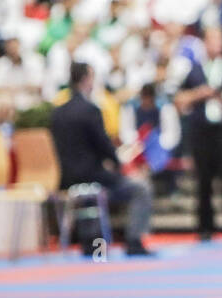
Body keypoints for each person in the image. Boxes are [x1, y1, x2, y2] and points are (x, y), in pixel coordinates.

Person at [50, 62, 154, 255]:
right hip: (92, 176)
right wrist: (118, 164)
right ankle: (134, 240)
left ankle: (91, 242)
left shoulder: (57, 112)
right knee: (141, 188)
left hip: (66, 178)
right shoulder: (90, 110)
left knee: (92, 194)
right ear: (86, 79)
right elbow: (104, 147)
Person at [180, 26, 222, 240]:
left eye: (220, 39)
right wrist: (200, 94)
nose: (218, 43)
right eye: (213, 39)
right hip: (202, 130)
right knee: (204, 180)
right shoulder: (195, 69)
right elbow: (180, 99)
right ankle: (206, 226)